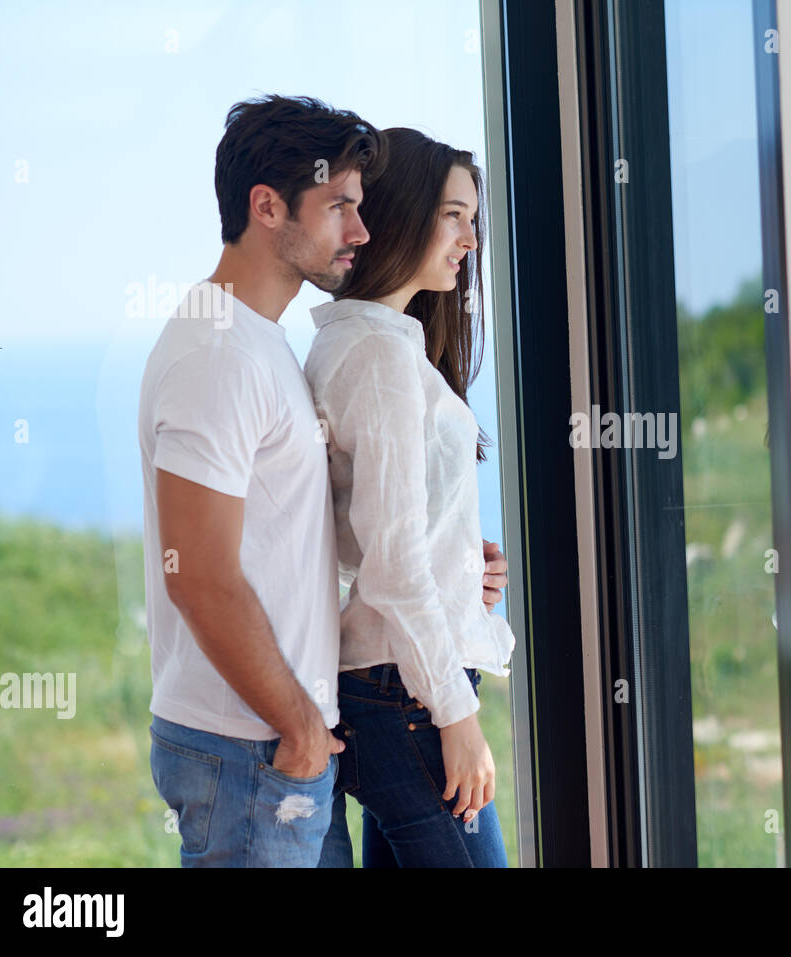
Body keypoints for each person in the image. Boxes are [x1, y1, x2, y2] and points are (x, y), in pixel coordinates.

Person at [139, 94, 387, 866]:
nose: (361, 231)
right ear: (268, 206)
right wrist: (301, 727)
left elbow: (286, 536)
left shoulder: (258, 342)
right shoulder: (219, 355)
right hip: (250, 749)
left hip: (271, 745)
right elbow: (201, 577)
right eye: (339, 205)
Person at [306, 127, 516, 868]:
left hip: (389, 684)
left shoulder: (362, 343)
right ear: (402, 215)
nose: (470, 238)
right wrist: (455, 716)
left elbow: (374, 536)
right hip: (407, 697)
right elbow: (393, 566)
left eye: (474, 219)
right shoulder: (379, 356)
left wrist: (463, 563)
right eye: (453, 215)